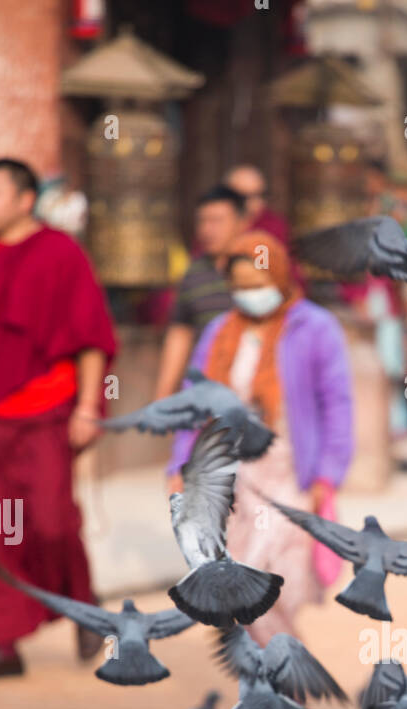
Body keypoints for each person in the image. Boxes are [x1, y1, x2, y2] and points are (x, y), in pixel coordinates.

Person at [167, 231, 353, 641]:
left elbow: (337, 404)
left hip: (290, 474)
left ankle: (277, 675)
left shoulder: (315, 328)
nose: (251, 295)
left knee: (273, 578)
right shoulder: (219, 333)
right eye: (242, 288)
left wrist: (328, 474)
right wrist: (180, 464)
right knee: (241, 581)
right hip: (231, 478)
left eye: (259, 286)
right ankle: (280, 677)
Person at [0, 157, 116, 679]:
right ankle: (6, 642)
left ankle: (83, 603)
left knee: (51, 521)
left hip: (46, 412)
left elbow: (91, 338)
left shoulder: (60, 254)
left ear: (24, 198)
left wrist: (87, 407)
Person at [154, 184, 248, 399]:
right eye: (202, 221)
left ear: (241, 223)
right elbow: (180, 333)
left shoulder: (261, 266)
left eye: (216, 221)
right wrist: (163, 397)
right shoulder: (194, 273)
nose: (207, 229)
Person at [223, 165, 291, 246]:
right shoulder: (214, 223)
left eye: (260, 195)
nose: (255, 202)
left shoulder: (273, 225)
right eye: (244, 197)